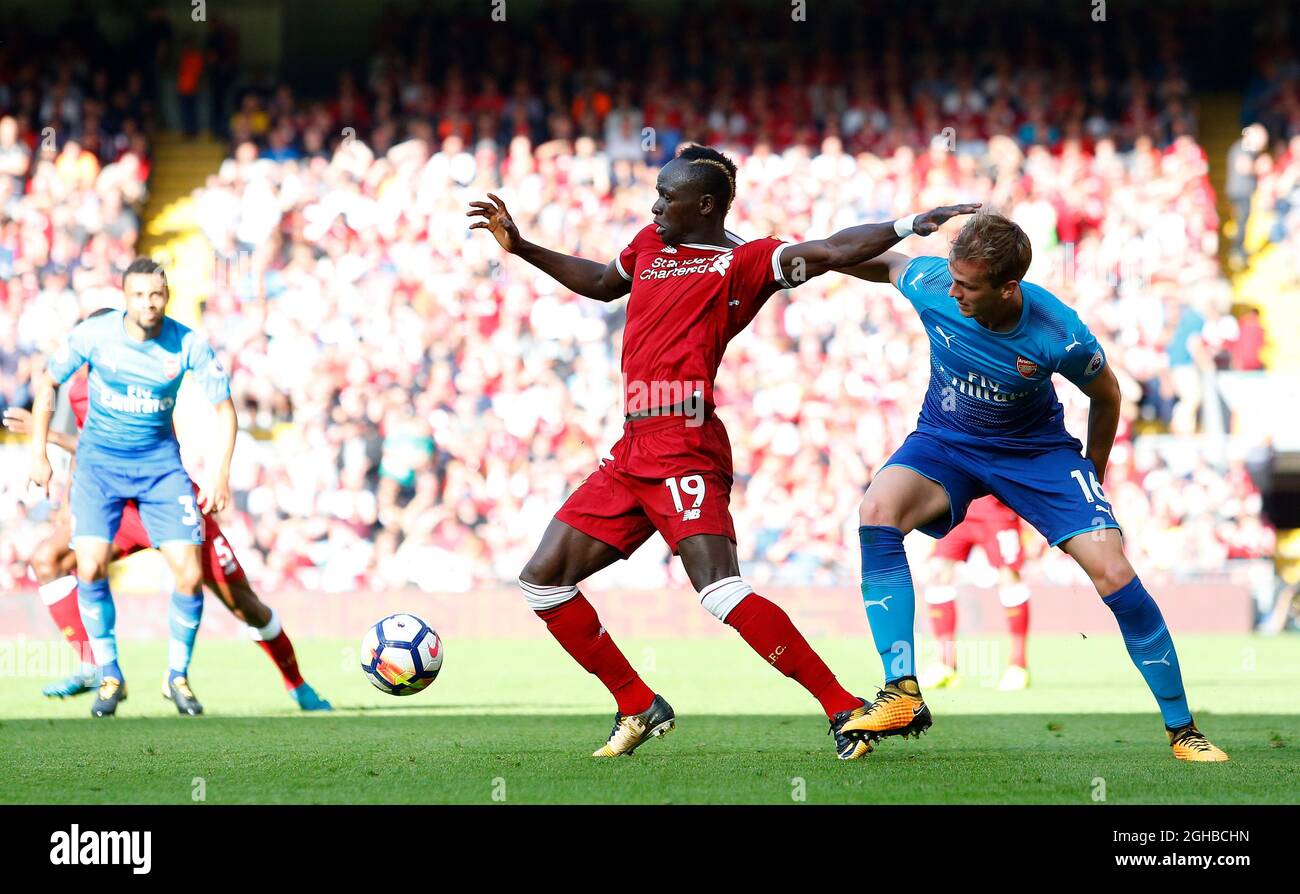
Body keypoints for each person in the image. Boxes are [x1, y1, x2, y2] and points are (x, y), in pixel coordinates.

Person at [469, 143, 978, 759]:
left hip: (684, 443)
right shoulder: (650, 244)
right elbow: (603, 284)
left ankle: (843, 709)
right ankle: (637, 703)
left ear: (706, 205)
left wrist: (908, 224)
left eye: (667, 197)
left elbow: (832, 250)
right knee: (544, 583)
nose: (655, 207)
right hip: (633, 446)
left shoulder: (745, 261)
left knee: (719, 590)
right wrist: (522, 247)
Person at [837, 211, 1228, 761]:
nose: (954, 292)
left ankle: (1182, 730)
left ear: (1008, 287)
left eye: (968, 285)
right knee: (876, 511)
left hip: (1035, 454)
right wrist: (806, 259)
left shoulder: (1059, 333)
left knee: (1114, 570)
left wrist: (1093, 472)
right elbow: (880, 262)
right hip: (946, 441)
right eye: (953, 277)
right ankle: (901, 691)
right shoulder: (933, 284)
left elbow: (1107, 396)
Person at [5, 356, 331, 711]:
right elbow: (89, 451)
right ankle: (95, 666)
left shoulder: (144, 376)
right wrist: (70, 500)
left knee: (244, 604)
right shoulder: (82, 389)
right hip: (122, 508)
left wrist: (48, 436)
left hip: (169, 499)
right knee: (48, 559)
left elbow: (132, 447)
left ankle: (296, 684)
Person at [28, 259, 236, 717]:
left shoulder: (187, 344)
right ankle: (109, 675)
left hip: (161, 470)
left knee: (189, 575)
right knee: (90, 569)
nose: (149, 303)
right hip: (100, 471)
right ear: (126, 298)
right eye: (139, 295)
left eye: (156, 294)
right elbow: (48, 382)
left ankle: (176, 676)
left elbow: (225, 409)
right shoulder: (94, 336)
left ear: (167, 296)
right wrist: (38, 452)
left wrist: (220, 473)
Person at [918, 496, 1031, 691]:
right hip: (957, 508)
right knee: (939, 575)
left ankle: (1018, 666)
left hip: (996, 509)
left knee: (1009, 576)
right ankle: (946, 665)